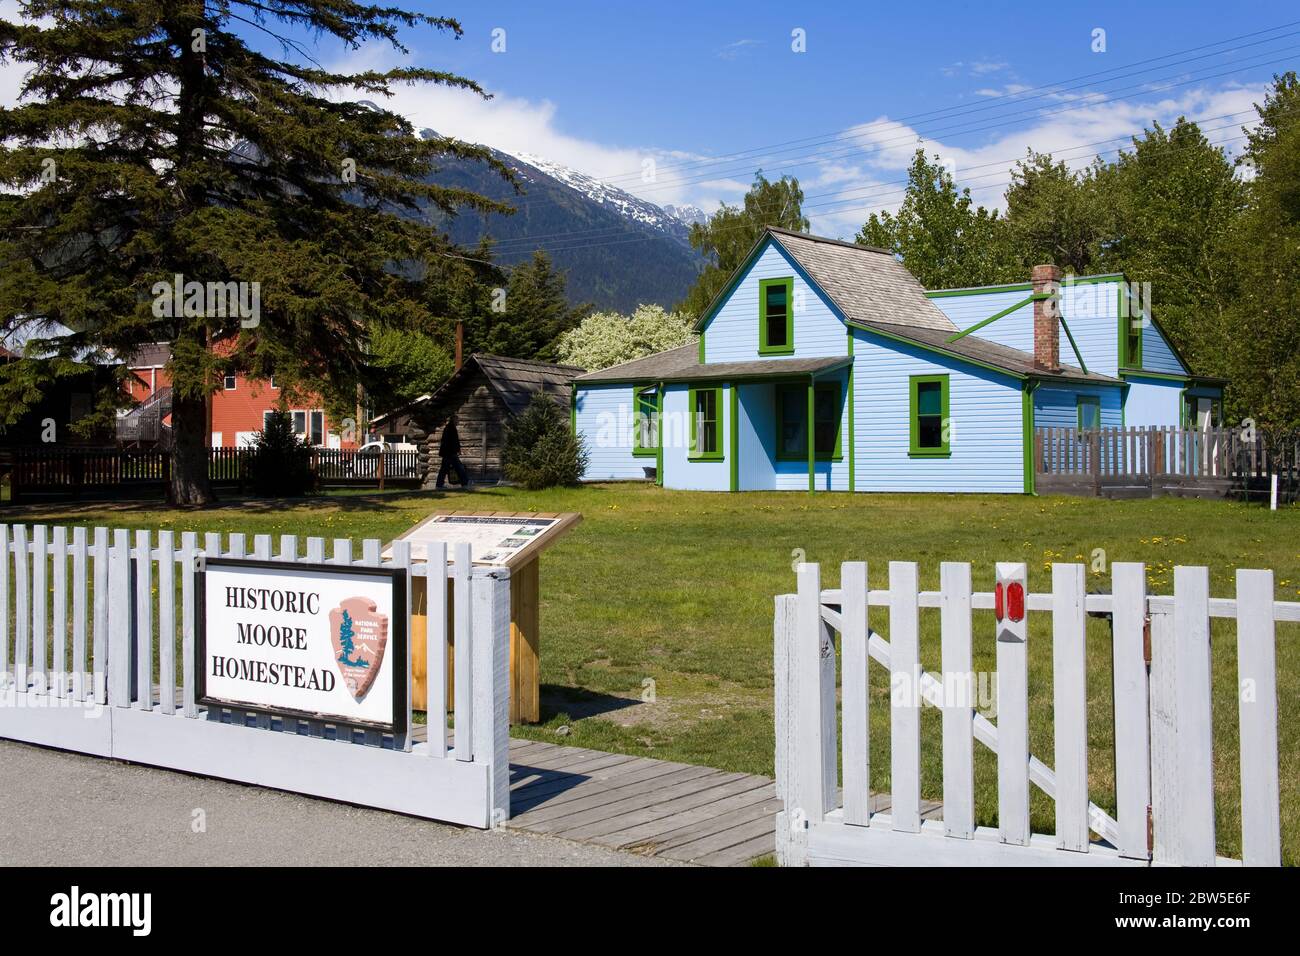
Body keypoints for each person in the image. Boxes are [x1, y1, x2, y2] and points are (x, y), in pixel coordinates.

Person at [436, 415, 470, 489]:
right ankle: (465, 483)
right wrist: (457, 450)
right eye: (457, 420)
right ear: (454, 420)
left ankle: (439, 485)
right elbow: (454, 441)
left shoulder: (448, 428)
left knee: (444, 469)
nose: (458, 421)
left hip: (447, 452)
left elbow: (451, 441)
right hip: (450, 453)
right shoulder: (451, 428)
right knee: (459, 467)